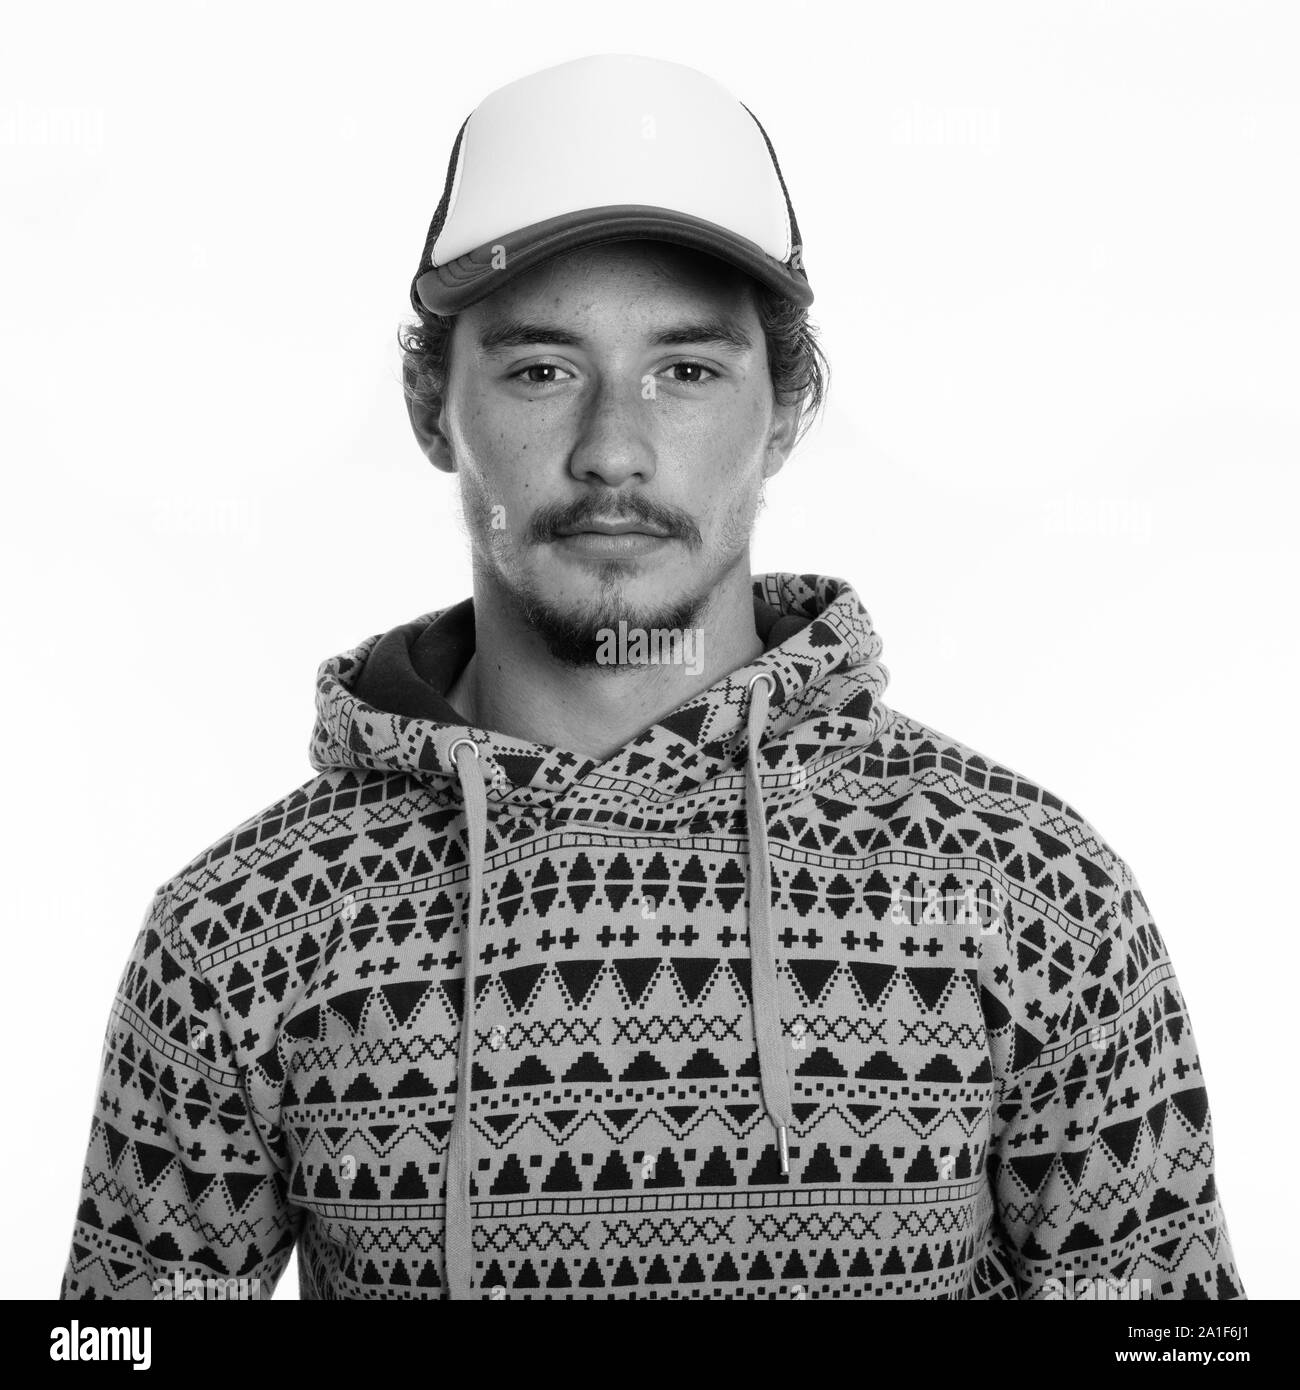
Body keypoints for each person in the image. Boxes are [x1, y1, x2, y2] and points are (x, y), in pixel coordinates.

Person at [59, 53, 1244, 1301]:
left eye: (686, 370)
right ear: (428, 405)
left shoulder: (1030, 893)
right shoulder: (234, 934)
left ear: (785, 411)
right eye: (540, 368)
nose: (612, 449)